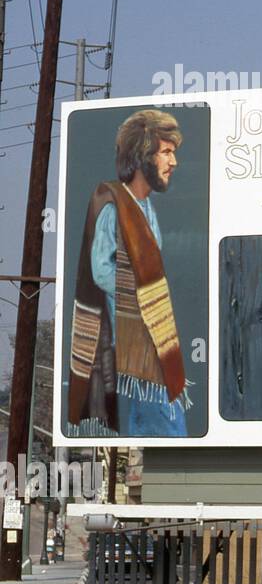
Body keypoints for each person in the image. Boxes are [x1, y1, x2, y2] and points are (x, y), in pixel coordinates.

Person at [67, 109, 192, 437]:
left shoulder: (147, 207)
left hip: (153, 335)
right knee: (165, 424)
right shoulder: (113, 204)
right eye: (166, 152)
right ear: (141, 157)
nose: (173, 162)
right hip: (133, 339)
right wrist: (139, 298)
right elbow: (101, 270)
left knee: (156, 424)